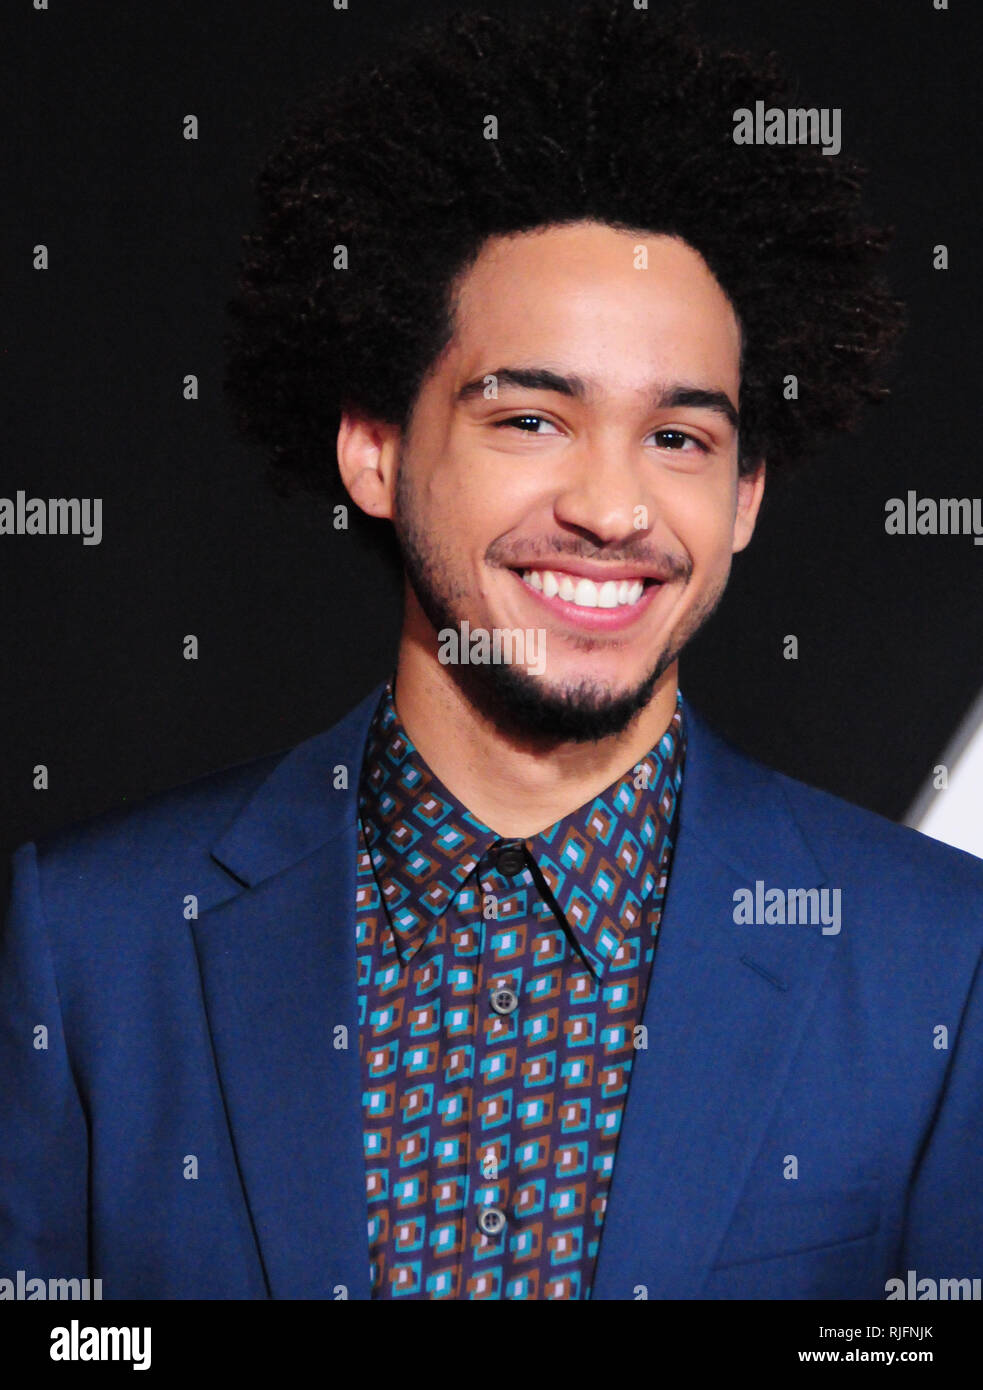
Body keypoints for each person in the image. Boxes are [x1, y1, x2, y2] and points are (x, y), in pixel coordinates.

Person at [2, 0, 981, 1301]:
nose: (614, 508)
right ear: (375, 449)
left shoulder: (941, 957)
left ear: (746, 494)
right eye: (531, 418)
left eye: (680, 438)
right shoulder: (93, 944)